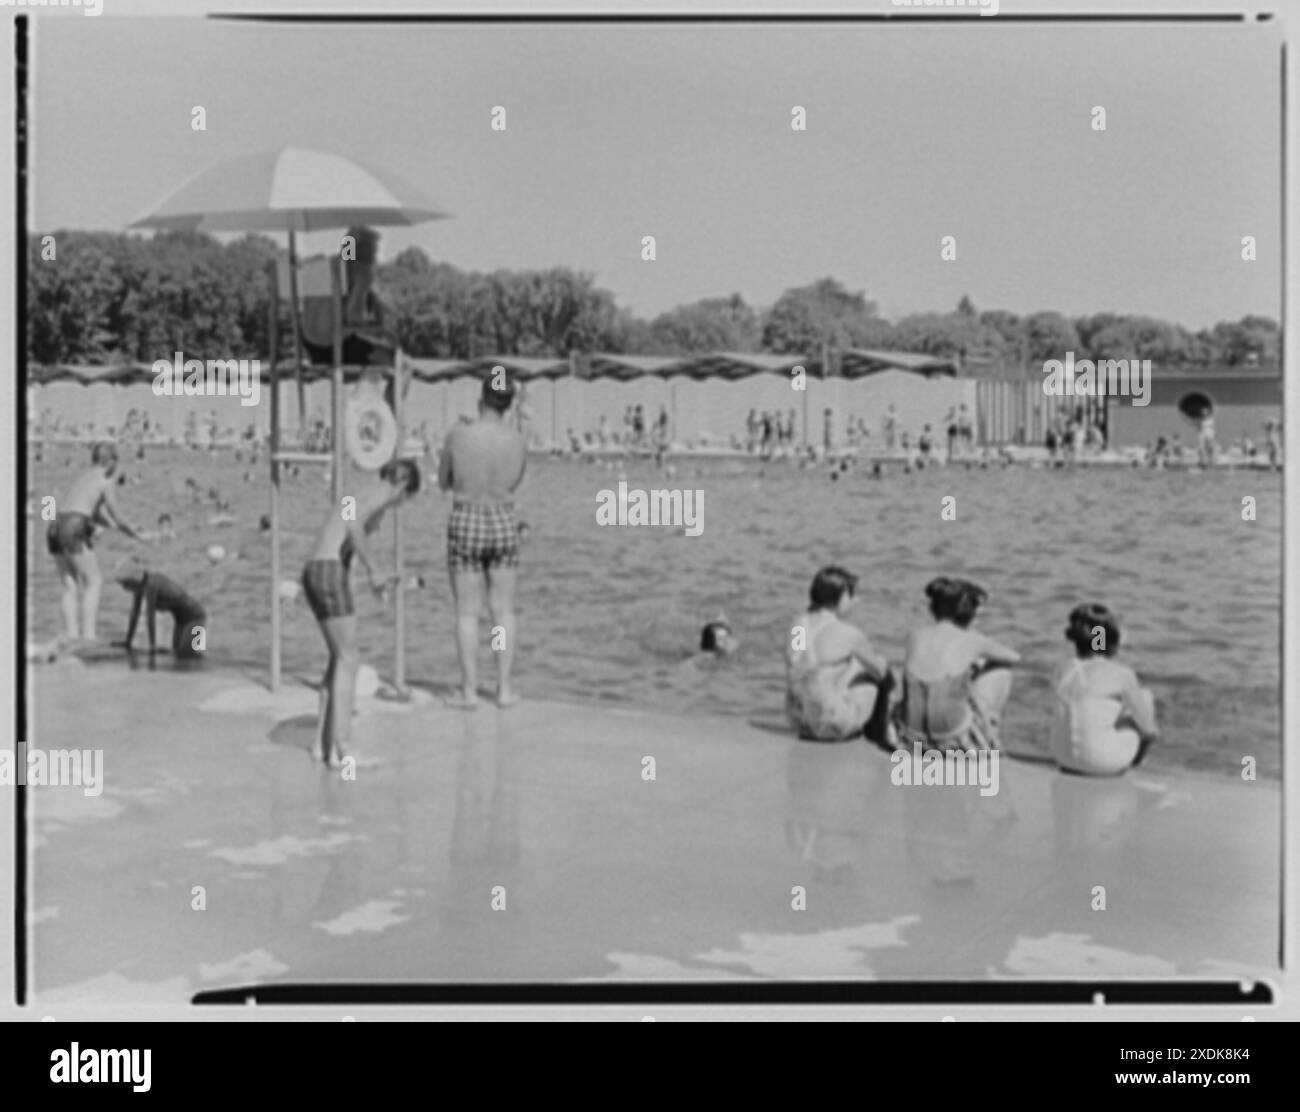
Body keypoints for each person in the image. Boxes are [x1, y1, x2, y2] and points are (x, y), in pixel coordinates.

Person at [302, 458, 422, 767]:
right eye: (404, 500)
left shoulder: (358, 493)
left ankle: (322, 744)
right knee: (349, 658)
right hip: (328, 571)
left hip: (316, 569)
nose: (397, 507)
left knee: (337, 658)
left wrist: (372, 577)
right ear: (402, 486)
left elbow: (344, 529)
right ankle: (344, 749)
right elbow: (353, 525)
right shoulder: (378, 494)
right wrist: (375, 571)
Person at [439, 371, 528, 708]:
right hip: (503, 518)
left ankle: (469, 691)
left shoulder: (459, 436)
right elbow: (516, 480)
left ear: (481, 400)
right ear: (508, 405)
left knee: (467, 613)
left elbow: (444, 480)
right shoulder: (517, 439)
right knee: (502, 612)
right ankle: (503, 689)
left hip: (467, 515)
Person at [895, 577, 1018, 751]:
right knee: (1001, 670)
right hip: (955, 742)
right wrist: (978, 664)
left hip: (911, 739)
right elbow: (1014, 657)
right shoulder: (973, 639)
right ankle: (991, 735)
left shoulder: (915, 635)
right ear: (970, 614)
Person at [46, 442, 147, 643]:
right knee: (94, 582)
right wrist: (136, 534)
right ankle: (89, 637)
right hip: (74, 527)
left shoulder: (83, 477)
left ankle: (72, 636)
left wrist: (112, 526)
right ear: (110, 462)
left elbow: (92, 511)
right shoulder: (105, 482)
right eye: (116, 464)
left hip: (54, 526)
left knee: (70, 586)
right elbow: (117, 516)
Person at [785, 566, 895, 743]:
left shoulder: (798, 625)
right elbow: (880, 673)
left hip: (797, 721)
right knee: (877, 669)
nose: (855, 600)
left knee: (824, 669)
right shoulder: (848, 634)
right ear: (842, 597)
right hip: (831, 725)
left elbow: (801, 662)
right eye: (851, 595)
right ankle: (881, 733)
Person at [1049, 603, 1158, 775]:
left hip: (1062, 758)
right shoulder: (1122, 674)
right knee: (1145, 697)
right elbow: (1150, 732)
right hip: (1100, 763)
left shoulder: (1062, 669)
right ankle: (1137, 760)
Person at [117, 569, 208, 659]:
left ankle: (206, 670)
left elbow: (150, 617)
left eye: (125, 584)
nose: (124, 588)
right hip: (180, 619)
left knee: (191, 655)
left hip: (196, 617)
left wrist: (152, 645)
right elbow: (134, 614)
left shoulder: (151, 585)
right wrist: (128, 642)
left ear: (133, 580)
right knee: (178, 655)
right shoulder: (139, 588)